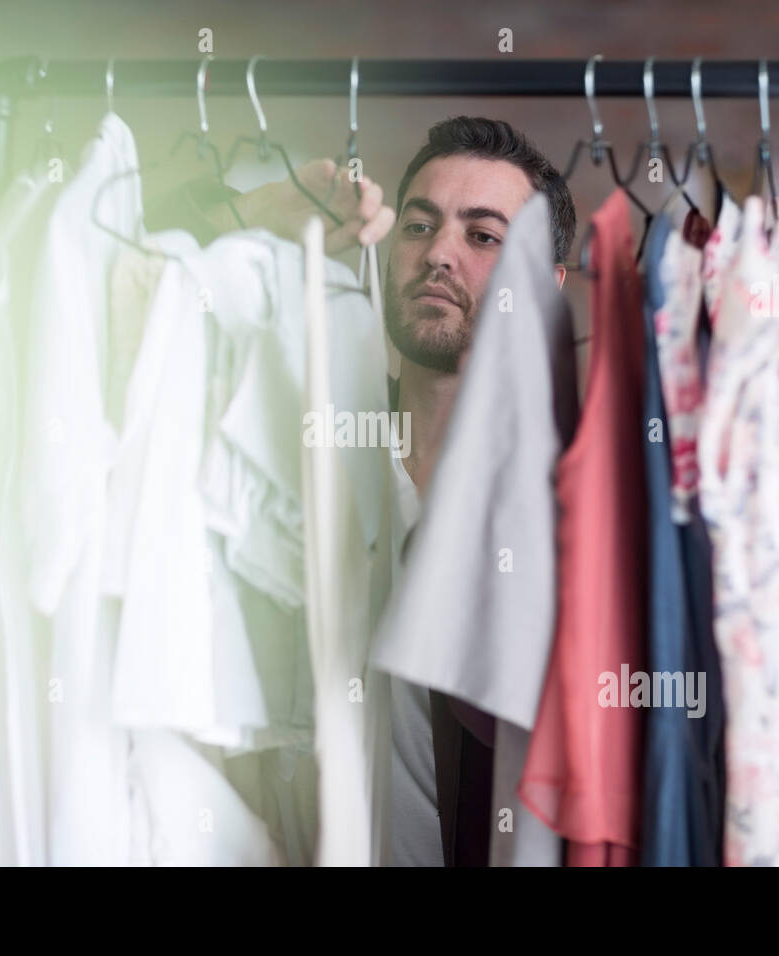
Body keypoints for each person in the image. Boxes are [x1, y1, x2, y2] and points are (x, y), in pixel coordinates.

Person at [147, 116, 576, 866]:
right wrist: (252, 218)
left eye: (483, 237)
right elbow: (131, 293)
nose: (439, 253)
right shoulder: (299, 437)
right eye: (420, 224)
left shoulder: (558, 502)